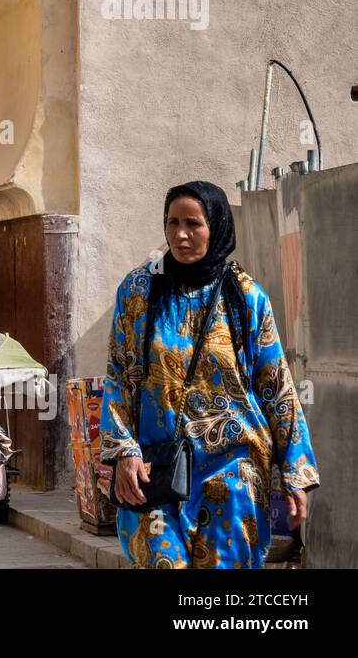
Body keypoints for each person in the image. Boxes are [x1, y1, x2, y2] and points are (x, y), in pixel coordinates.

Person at [100, 180, 319, 568]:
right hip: (156, 468)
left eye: (193, 224)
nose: (180, 234)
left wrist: (294, 473)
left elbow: (276, 388)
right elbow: (120, 376)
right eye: (172, 222)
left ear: (215, 227)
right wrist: (124, 452)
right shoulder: (139, 291)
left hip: (233, 473)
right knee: (164, 562)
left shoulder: (246, 296)